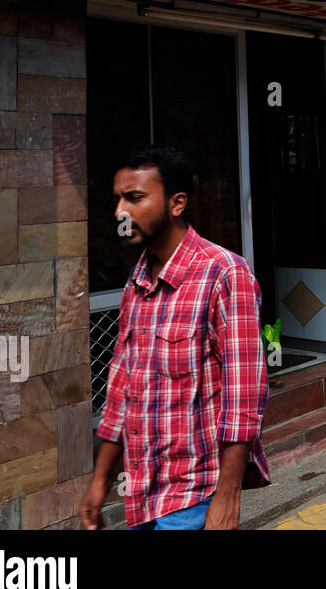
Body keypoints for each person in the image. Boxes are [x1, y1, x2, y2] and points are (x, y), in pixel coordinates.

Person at [81, 146, 270, 531]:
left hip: (195, 497)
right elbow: (121, 387)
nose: (120, 212)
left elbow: (244, 396)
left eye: (134, 198)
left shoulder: (225, 274)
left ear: (177, 202)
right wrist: (100, 480)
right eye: (117, 199)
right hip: (140, 493)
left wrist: (227, 496)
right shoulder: (138, 279)